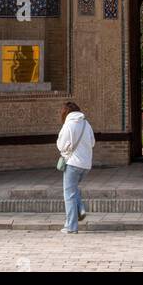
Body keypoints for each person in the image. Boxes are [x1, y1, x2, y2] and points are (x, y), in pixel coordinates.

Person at [57, 100, 95, 234]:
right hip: (86, 165)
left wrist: (65, 150)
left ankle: (71, 227)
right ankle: (81, 209)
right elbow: (92, 142)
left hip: (72, 163)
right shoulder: (86, 124)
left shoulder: (68, 125)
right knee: (73, 189)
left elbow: (61, 145)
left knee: (69, 194)